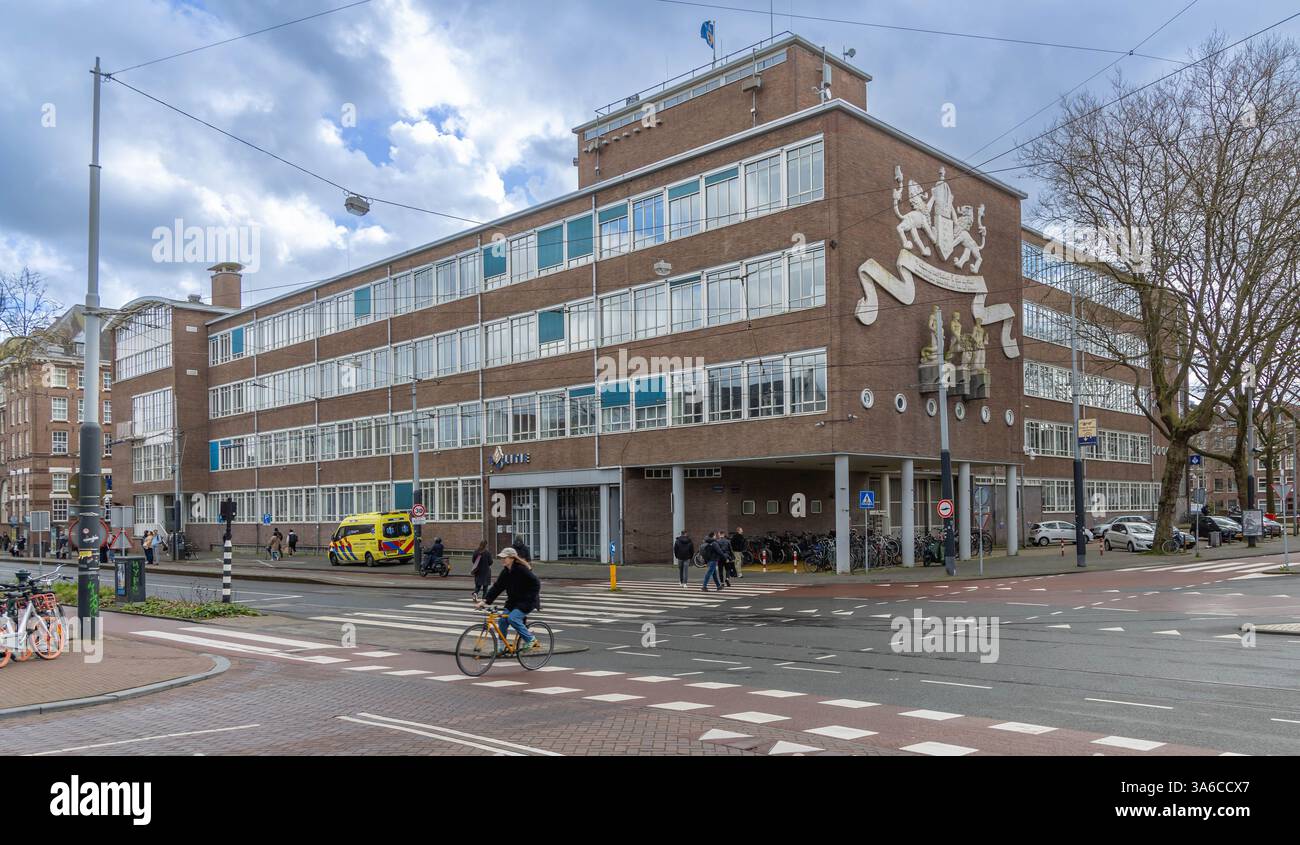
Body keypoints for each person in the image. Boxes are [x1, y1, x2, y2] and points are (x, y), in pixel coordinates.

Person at [477, 547, 541, 652]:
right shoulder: (505, 572)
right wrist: (485, 601)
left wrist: (529, 597)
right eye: (501, 557)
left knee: (512, 618)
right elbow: (497, 587)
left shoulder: (521, 569)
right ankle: (501, 647)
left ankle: (531, 640)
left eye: (504, 557)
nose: (502, 559)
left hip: (527, 602)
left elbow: (536, 583)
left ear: (511, 558)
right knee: (502, 621)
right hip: (513, 602)